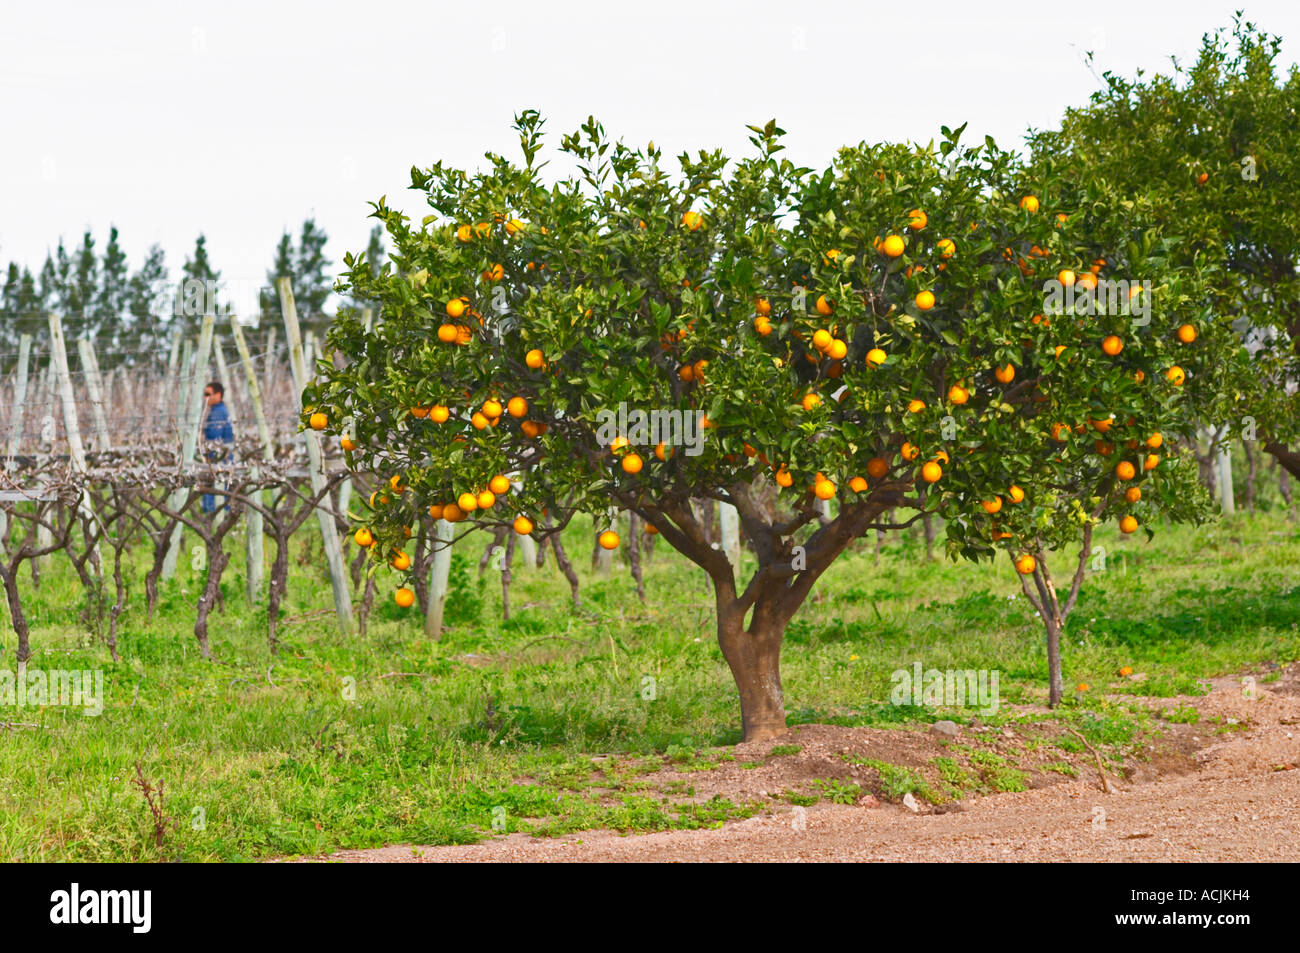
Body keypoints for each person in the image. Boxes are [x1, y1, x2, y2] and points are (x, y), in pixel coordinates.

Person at [201, 381, 234, 514]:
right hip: (224, 457)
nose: (205, 398)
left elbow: (214, 440)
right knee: (223, 491)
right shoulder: (221, 410)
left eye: (208, 394)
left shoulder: (217, 413)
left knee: (213, 491)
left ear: (218, 395)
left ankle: (212, 517)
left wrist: (205, 453)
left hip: (217, 459)